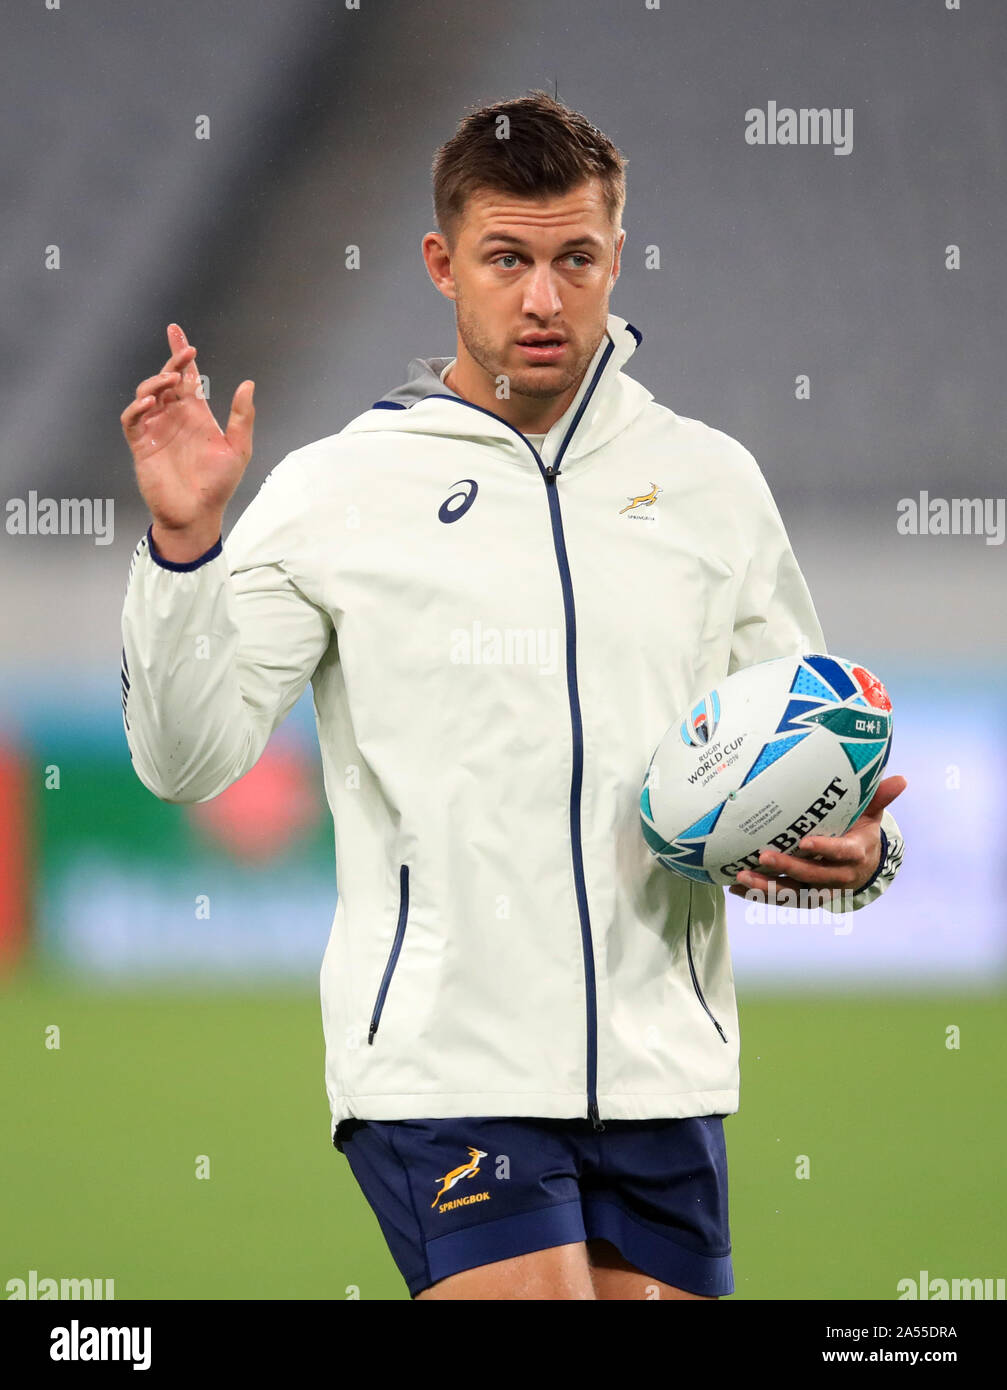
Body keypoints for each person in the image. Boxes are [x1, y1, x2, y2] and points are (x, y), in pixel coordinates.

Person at [119, 92, 906, 1301]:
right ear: (443, 264)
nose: (543, 299)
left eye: (572, 258)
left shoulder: (708, 484)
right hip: (444, 1073)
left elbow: (801, 755)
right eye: (508, 259)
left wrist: (863, 855)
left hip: (663, 1073)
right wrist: (184, 550)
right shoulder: (337, 489)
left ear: (614, 257)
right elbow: (186, 758)